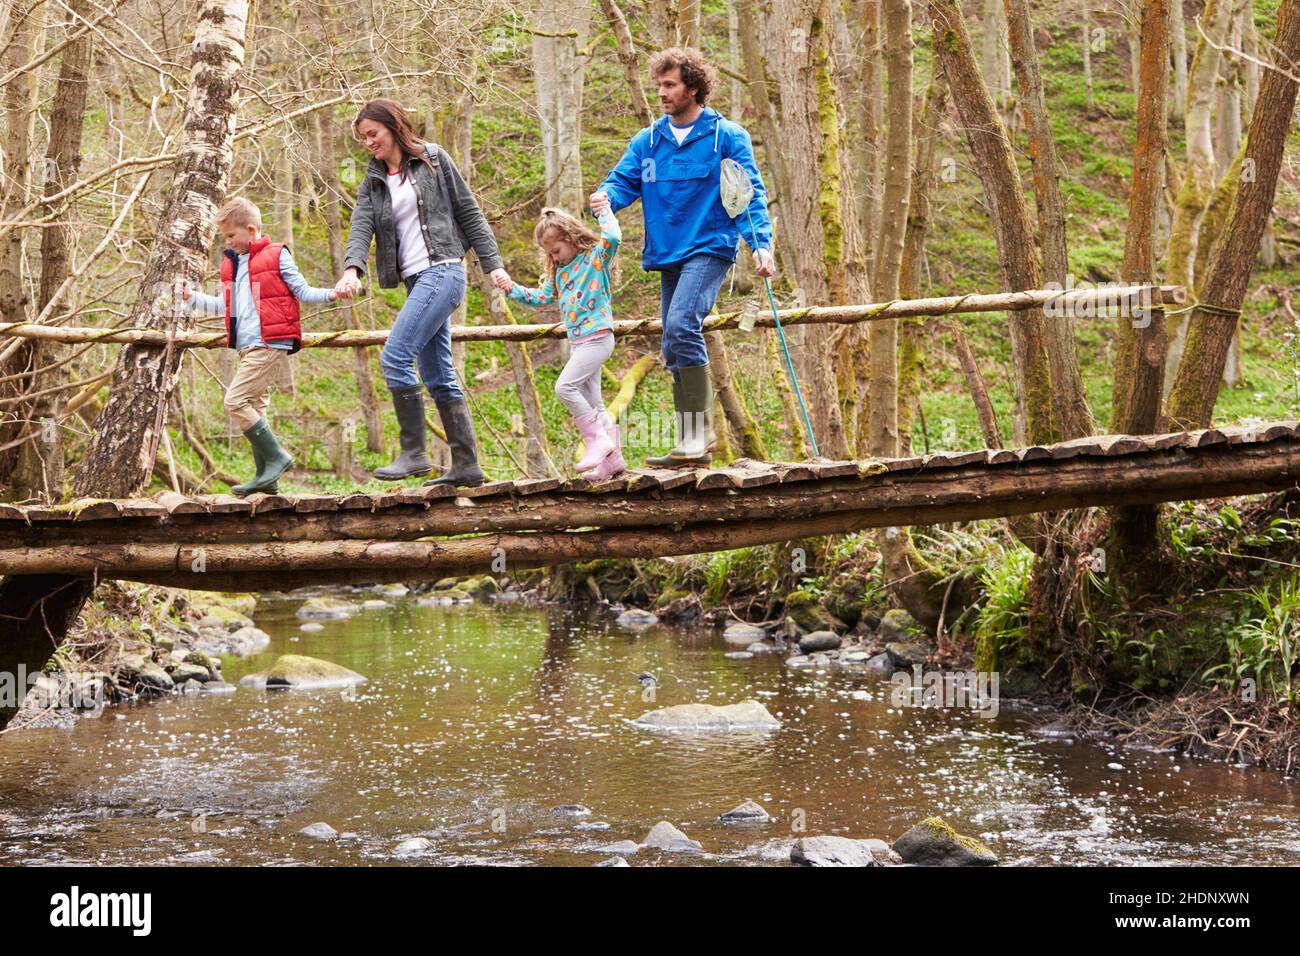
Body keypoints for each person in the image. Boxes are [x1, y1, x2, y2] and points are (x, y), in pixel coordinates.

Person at [590, 47, 776, 468]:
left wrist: (760, 244)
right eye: (659, 85)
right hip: (667, 252)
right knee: (673, 343)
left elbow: (749, 196)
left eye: (669, 85)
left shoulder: (724, 137)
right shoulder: (649, 139)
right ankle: (690, 442)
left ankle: (700, 435)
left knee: (680, 325)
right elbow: (621, 182)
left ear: (694, 88)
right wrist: (605, 200)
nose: (661, 93)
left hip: (710, 247)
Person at [335, 98, 509, 486]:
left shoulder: (433, 158)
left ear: (393, 126)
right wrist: (352, 270)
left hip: (444, 270)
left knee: (395, 356)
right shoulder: (374, 178)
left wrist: (493, 264)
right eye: (363, 138)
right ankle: (466, 465)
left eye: (372, 134)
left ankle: (414, 453)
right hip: (417, 280)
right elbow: (361, 225)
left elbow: (468, 212)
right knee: (436, 372)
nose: (368, 143)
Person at [180, 196, 347, 496]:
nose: (229, 242)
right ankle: (266, 479)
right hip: (247, 346)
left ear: (251, 229)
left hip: (269, 342)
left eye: (232, 236)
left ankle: (277, 457)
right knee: (255, 406)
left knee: (235, 400)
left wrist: (332, 294)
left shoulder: (276, 255)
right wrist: (192, 297)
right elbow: (224, 306)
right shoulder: (232, 266)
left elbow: (302, 291)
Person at [493, 201, 626, 479]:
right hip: (579, 343)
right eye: (549, 254)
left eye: (556, 250)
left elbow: (612, 236)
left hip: (598, 338)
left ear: (571, 238)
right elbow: (540, 298)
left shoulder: (594, 258)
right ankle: (613, 460)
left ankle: (597, 441)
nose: (554, 257)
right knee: (595, 404)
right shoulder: (561, 273)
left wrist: (604, 211)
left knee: (564, 387)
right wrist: (511, 287)